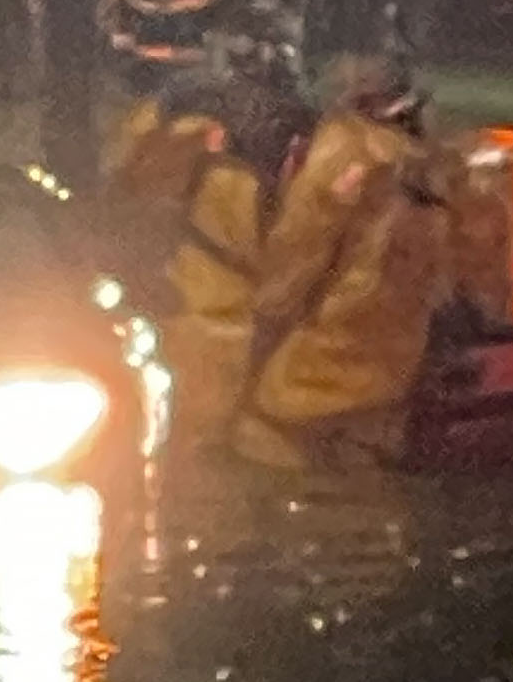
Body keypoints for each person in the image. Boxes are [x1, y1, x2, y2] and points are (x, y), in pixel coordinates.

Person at [233, 54, 479, 473]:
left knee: (259, 445)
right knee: (367, 475)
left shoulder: (341, 151)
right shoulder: (439, 170)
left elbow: (295, 258)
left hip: (320, 367)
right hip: (397, 370)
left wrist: (258, 334)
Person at [101, 55, 312, 452]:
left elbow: (126, 181)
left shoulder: (179, 109)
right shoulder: (298, 127)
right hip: (228, 287)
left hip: (202, 286)